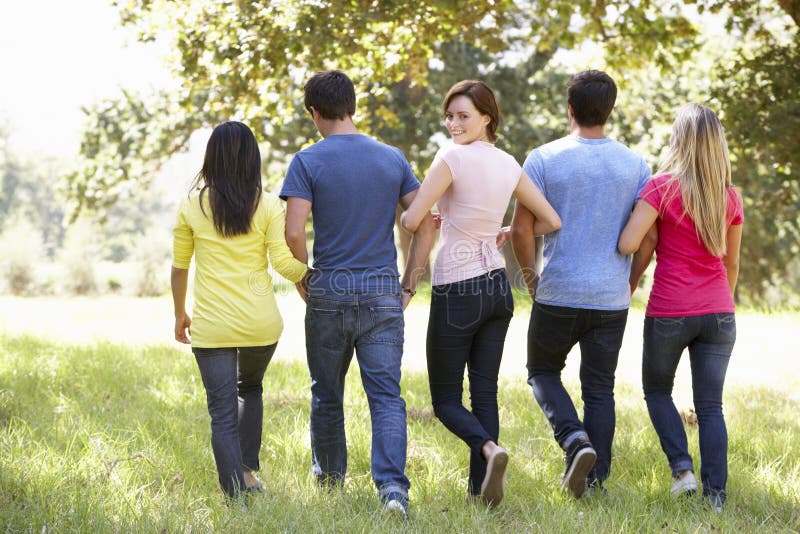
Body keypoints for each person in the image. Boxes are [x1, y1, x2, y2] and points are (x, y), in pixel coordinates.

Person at [280, 70, 435, 518]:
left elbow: (294, 233)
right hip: (383, 290)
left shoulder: (306, 161)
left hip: (329, 288)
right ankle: (393, 491)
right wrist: (409, 283)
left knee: (326, 392)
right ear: (352, 106)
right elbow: (426, 223)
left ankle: (330, 483)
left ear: (314, 113)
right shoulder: (391, 158)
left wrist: (303, 279)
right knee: (386, 396)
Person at [400, 80, 561, 507]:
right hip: (497, 289)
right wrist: (506, 229)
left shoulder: (451, 157)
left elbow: (412, 220)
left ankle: (490, 450)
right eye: (449, 116)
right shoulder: (508, 162)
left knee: (445, 401)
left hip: (458, 289)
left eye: (463, 116)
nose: (454, 124)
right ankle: (482, 492)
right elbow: (550, 220)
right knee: (484, 393)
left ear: (487, 117)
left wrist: (424, 215)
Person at [511, 70, 651, 498]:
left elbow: (521, 229)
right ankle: (594, 481)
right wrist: (630, 282)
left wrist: (531, 277)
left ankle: (574, 439)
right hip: (610, 297)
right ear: (610, 110)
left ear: (569, 108)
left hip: (559, 290)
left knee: (542, 371)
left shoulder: (543, 159)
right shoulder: (636, 166)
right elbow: (647, 238)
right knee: (599, 388)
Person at [171, 121, 308, 500]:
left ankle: (234, 495)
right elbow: (283, 262)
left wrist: (180, 313)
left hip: (212, 328)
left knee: (222, 412)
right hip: (260, 326)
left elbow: (180, 267)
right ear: (252, 159)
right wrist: (312, 274)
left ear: (211, 158)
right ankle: (247, 475)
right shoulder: (268, 205)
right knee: (250, 389)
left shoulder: (191, 205)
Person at [619, 103, 743, 513]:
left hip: (670, 310)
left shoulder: (660, 188)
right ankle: (716, 498)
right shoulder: (730, 197)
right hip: (719, 313)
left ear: (679, 141)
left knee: (657, 391)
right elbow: (732, 264)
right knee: (711, 407)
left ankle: (683, 471)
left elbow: (629, 243)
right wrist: (720, 307)